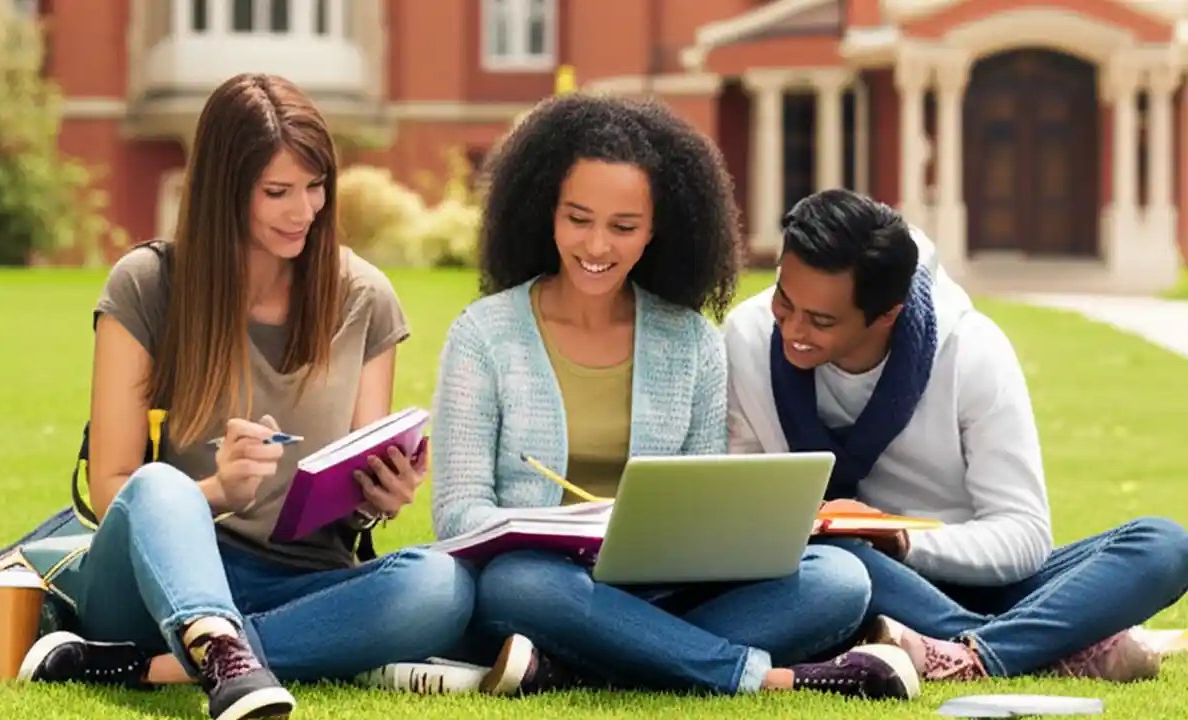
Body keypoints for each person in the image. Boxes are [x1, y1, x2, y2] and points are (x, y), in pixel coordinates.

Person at [13, 73, 483, 719]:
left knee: (443, 585)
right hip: (164, 570)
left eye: (316, 187)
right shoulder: (147, 285)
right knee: (158, 486)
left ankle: (159, 665)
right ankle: (221, 641)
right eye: (278, 192)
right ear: (224, 190)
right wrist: (217, 492)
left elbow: (358, 494)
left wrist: (380, 500)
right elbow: (111, 486)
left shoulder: (364, 298)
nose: (305, 210)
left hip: (305, 583)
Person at [425, 93, 921, 701]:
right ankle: (761, 677)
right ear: (544, 211)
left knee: (839, 579)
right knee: (516, 584)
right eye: (577, 219)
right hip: (540, 585)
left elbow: (702, 507)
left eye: (624, 227)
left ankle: (577, 666)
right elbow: (457, 517)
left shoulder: (692, 342)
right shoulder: (483, 335)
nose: (597, 247)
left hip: (660, 591)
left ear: (659, 228)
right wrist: (558, 529)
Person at [722, 188, 1188, 684]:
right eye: (783, 302)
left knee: (1163, 545)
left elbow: (1023, 537)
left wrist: (900, 540)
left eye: (821, 321)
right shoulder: (748, 338)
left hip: (977, 577)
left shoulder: (971, 352)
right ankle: (1038, 646)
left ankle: (961, 651)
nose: (792, 328)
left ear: (887, 313)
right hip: (849, 583)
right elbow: (748, 506)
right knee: (841, 560)